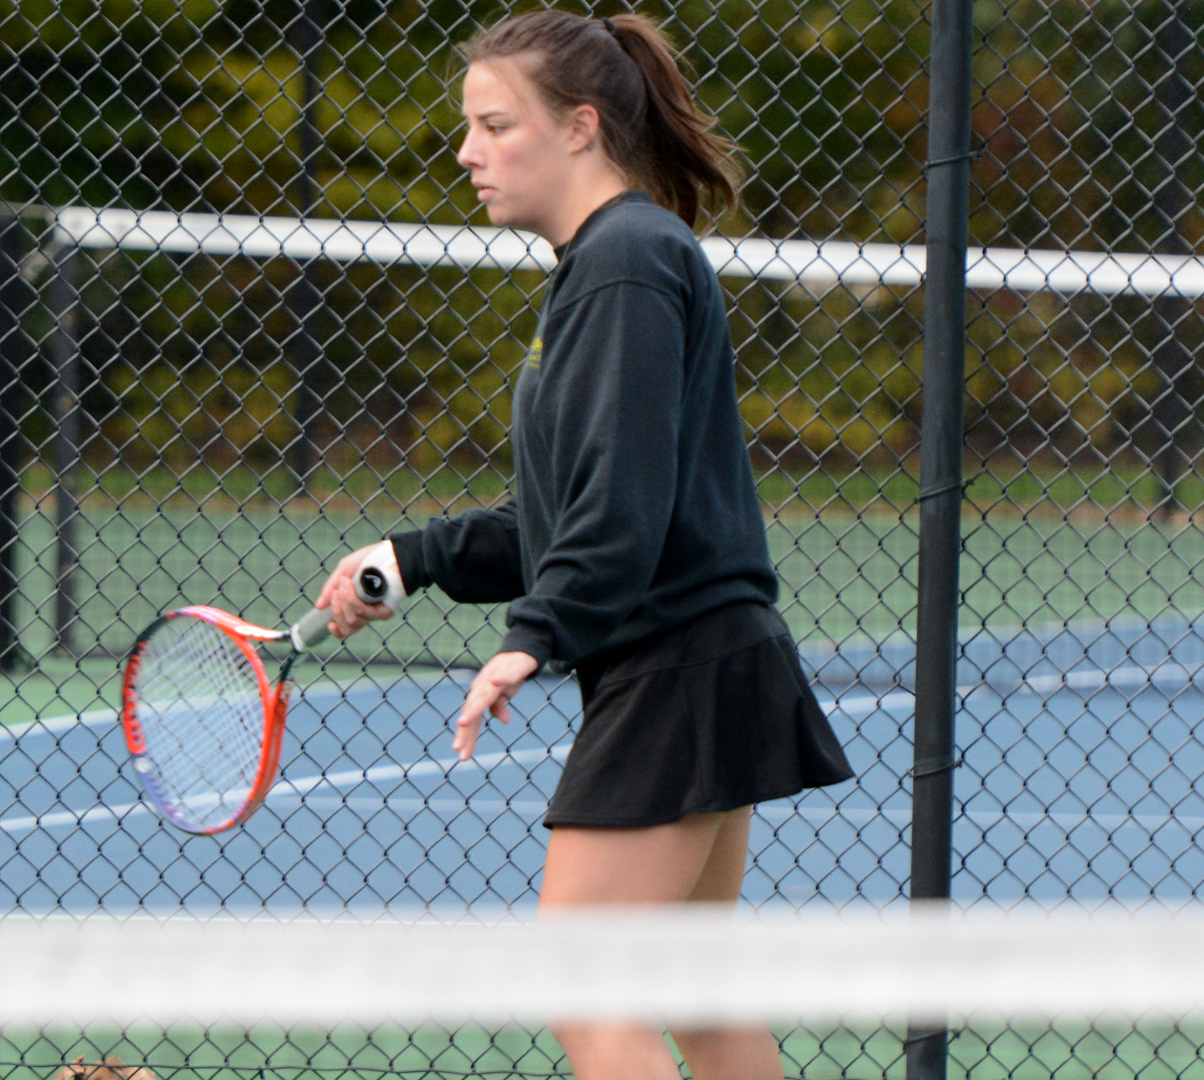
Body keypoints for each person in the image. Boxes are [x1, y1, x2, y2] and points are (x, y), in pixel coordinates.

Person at [312, 11, 854, 1080]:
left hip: (678, 667)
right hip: (704, 656)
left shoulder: (625, 263)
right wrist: (410, 558)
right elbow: (567, 513)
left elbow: (621, 505)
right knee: (692, 993)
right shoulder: (607, 265)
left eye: (494, 124)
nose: (467, 151)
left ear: (580, 128)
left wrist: (536, 635)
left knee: (583, 985)